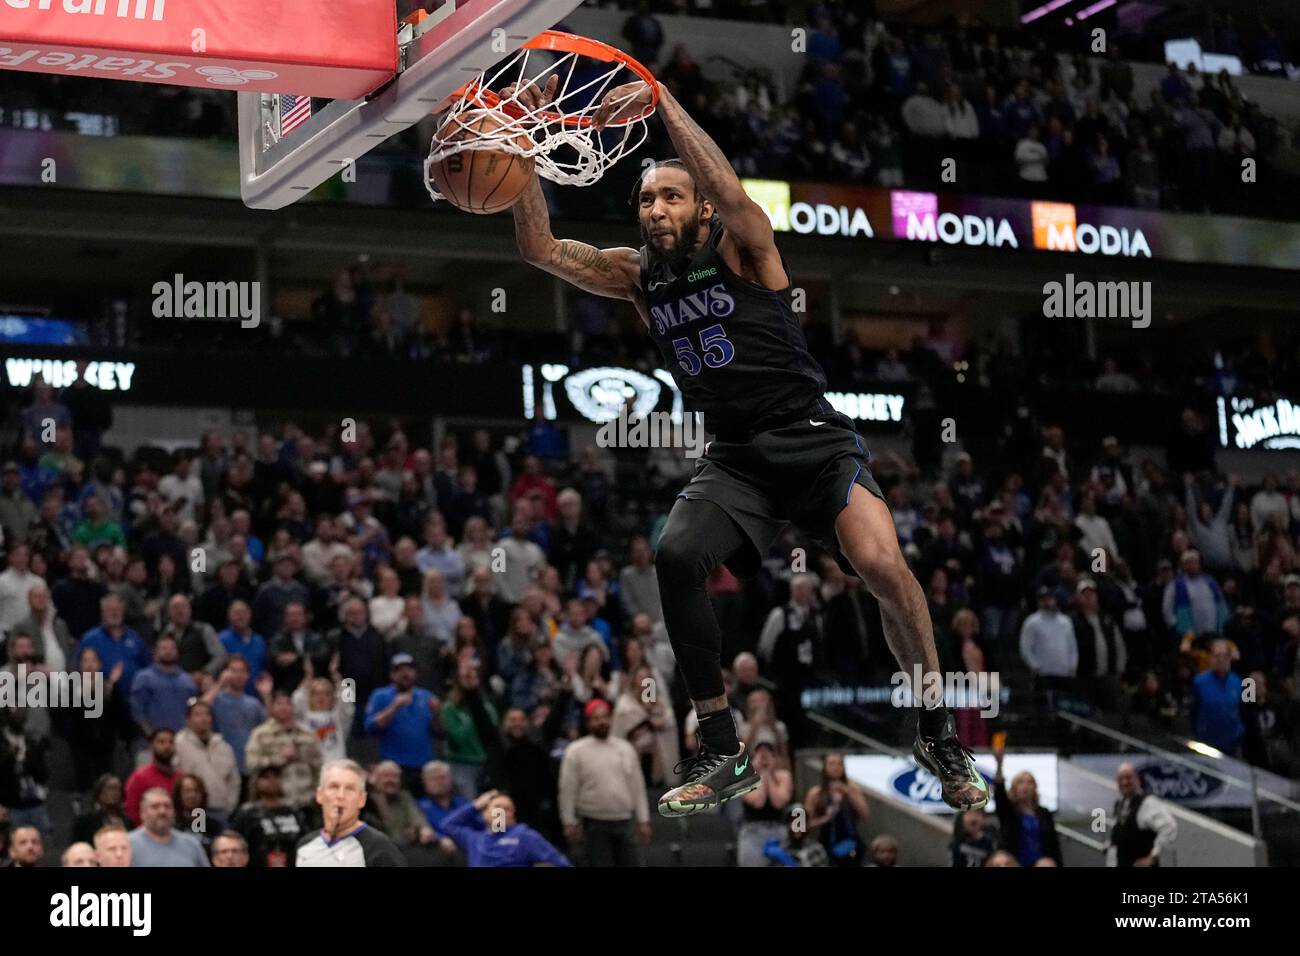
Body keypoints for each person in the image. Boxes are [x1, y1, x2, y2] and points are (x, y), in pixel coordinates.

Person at [507, 74, 984, 816]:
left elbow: (730, 190)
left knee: (884, 567)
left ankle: (935, 729)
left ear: (698, 205)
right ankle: (724, 747)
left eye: (670, 196)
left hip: (813, 439)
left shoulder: (742, 246)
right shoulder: (638, 275)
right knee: (674, 554)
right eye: (644, 200)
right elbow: (538, 247)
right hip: (735, 456)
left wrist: (658, 98)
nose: (656, 209)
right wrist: (519, 146)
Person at [558, 698, 651, 866]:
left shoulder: (625, 748)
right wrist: (568, 821)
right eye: (596, 718)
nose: (601, 722)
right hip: (593, 823)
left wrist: (643, 819)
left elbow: (637, 787)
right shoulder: (576, 751)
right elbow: (567, 789)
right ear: (587, 722)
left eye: (605, 717)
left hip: (624, 820)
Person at [295, 759, 405, 867]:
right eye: (334, 787)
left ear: (362, 799)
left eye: (349, 789)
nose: (340, 795)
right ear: (319, 795)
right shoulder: (304, 846)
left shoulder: (380, 848)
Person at [364, 653, 440, 794]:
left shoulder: (426, 696)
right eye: (399, 670)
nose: (405, 674)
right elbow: (370, 727)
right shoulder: (380, 695)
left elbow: (438, 731)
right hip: (393, 767)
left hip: (422, 766)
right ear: (392, 675)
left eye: (409, 669)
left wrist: (436, 714)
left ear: (415, 673)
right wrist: (394, 707)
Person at [439, 788, 571, 867]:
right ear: (484, 814)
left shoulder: (524, 836)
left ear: (513, 816)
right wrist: (476, 805)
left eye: (507, 809)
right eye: (497, 807)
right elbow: (448, 825)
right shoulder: (474, 839)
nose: (502, 812)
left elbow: (560, 863)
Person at [245, 690, 323, 810]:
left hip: (306, 800)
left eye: (287, 703)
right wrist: (279, 758)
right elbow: (251, 764)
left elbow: (319, 766)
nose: (284, 708)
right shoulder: (260, 734)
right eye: (279, 704)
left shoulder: (308, 735)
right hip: (274, 802)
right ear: (272, 707)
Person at [991, 735, 1061, 866]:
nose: (1025, 786)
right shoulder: (1008, 811)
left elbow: (1054, 846)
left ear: (1035, 788)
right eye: (1021, 782)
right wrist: (999, 764)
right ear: (1014, 788)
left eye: (1029, 782)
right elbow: (999, 792)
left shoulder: (1044, 814)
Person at [174, 699, 241, 817]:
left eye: (207, 714)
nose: (203, 718)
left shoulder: (224, 746)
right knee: (197, 835)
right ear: (188, 720)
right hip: (194, 811)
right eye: (198, 714)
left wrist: (230, 805)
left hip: (221, 809)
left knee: (220, 836)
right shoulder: (178, 745)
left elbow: (234, 780)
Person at [228, 766, 304, 867]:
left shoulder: (294, 811)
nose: (271, 781)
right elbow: (235, 844)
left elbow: (305, 842)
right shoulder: (247, 813)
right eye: (266, 777)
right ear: (256, 782)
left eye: (276, 776)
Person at [804, 751, 868, 866]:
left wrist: (848, 792)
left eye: (839, 764)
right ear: (824, 767)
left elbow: (864, 815)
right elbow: (804, 826)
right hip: (825, 845)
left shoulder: (853, 790)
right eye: (832, 764)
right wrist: (825, 818)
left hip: (851, 845)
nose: (836, 767)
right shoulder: (816, 793)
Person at [1107, 763, 1177, 867]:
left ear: (1137, 779)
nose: (1124, 782)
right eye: (1120, 779)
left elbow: (1169, 827)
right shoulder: (1120, 804)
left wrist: (1153, 857)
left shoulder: (1148, 803)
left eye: (1128, 777)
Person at [736, 739, 792, 867]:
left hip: (778, 830)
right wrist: (761, 772)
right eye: (760, 755)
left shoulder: (784, 776)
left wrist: (768, 774)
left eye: (768, 755)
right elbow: (758, 802)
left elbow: (778, 802)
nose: (764, 759)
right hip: (752, 833)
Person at [128, 787, 211, 867]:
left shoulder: (192, 844)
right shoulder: (126, 845)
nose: (162, 811)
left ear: (174, 812)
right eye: (155, 806)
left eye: (167, 806)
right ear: (143, 813)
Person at [1189, 638, 1245, 755]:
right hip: (1206, 744)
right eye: (1216, 655)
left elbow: (1242, 712)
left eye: (1224, 656)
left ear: (1230, 658)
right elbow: (1193, 713)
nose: (1220, 660)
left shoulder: (1238, 681)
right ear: (1210, 658)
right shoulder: (1199, 682)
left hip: (1232, 744)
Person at [123, 728, 183, 826]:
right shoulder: (139, 778)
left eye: (171, 742)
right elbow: (132, 812)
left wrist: (196, 832)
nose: (167, 746)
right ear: (152, 746)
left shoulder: (181, 778)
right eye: (161, 742)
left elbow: (194, 809)